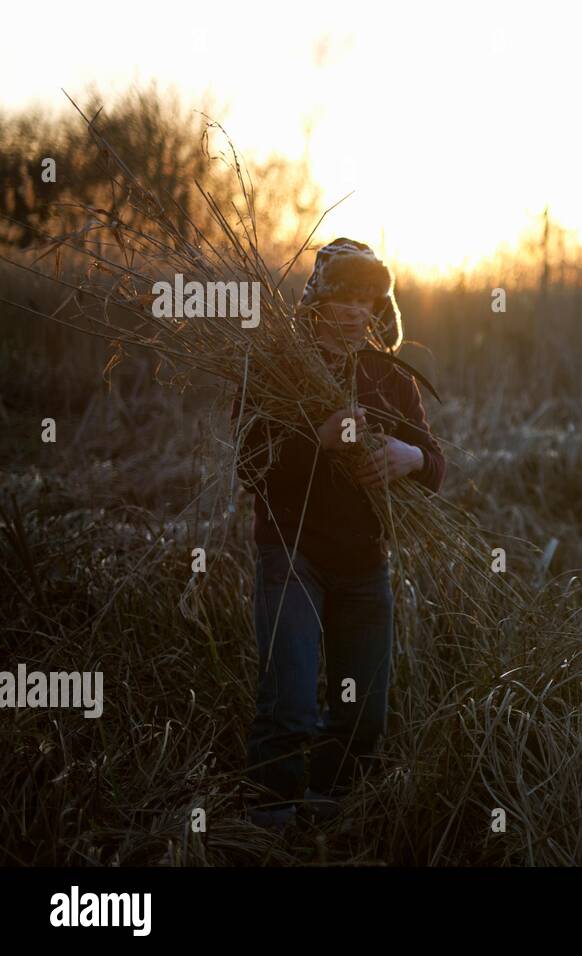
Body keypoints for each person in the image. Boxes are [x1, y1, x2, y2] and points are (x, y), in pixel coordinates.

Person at [233, 238, 445, 828]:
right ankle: (271, 826)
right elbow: (248, 465)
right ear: (318, 299)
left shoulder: (390, 376)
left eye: (366, 297)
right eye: (342, 295)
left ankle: (330, 821)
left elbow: (436, 464)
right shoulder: (277, 367)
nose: (355, 310)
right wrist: (317, 440)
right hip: (291, 554)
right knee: (291, 707)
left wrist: (412, 458)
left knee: (363, 718)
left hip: (364, 564)